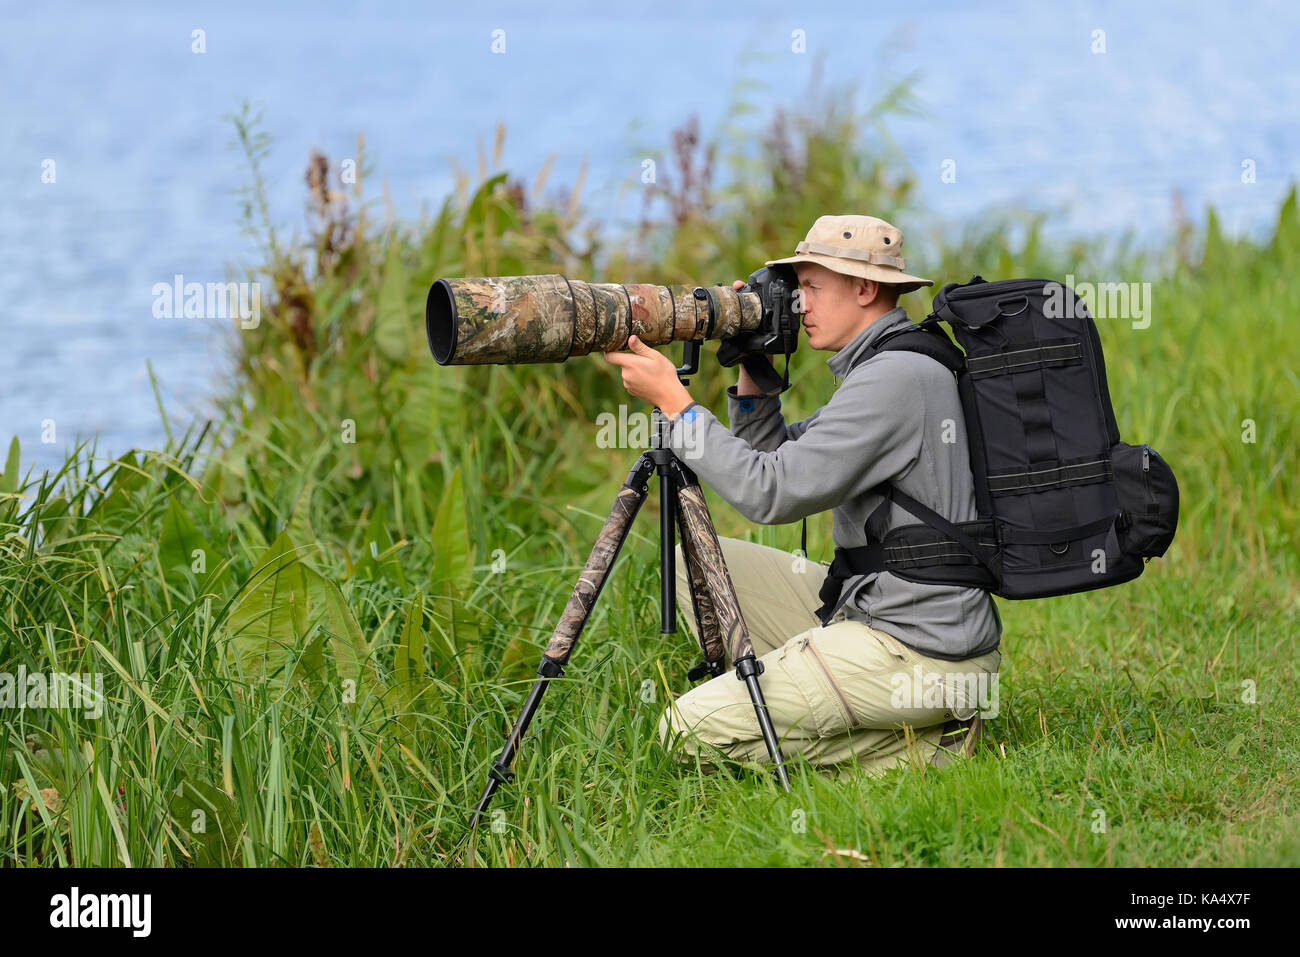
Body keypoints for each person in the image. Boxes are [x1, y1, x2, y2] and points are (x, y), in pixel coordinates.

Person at [603, 214, 1001, 775]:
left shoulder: (895, 380)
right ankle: (819, 696)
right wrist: (753, 370)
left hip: (921, 650)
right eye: (798, 290)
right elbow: (776, 458)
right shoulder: (894, 362)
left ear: (864, 288)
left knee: (683, 731)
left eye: (812, 287)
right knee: (696, 566)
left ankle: (925, 745)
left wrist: (676, 405)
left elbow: (770, 493)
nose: (800, 305)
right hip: (886, 613)